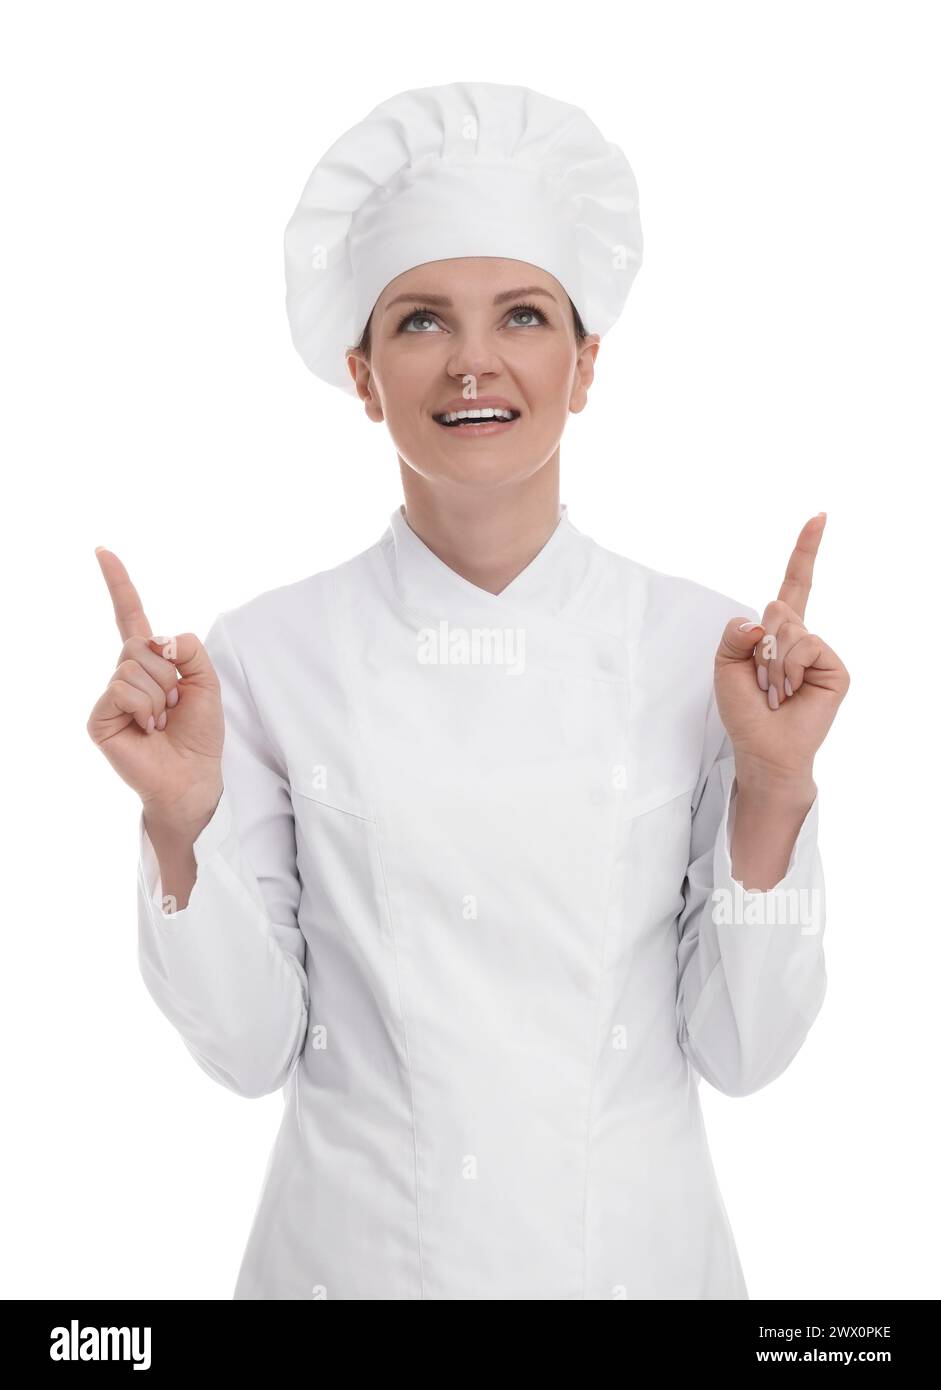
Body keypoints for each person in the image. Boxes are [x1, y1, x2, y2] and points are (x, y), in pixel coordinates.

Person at [87, 81, 850, 1300]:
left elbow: (744, 1053)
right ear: (362, 372)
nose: (475, 361)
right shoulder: (266, 658)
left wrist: (770, 787)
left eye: (525, 316)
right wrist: (180, 832)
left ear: (585, 363)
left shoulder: (709, 652)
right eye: (422, 321)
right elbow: (245, 1052)